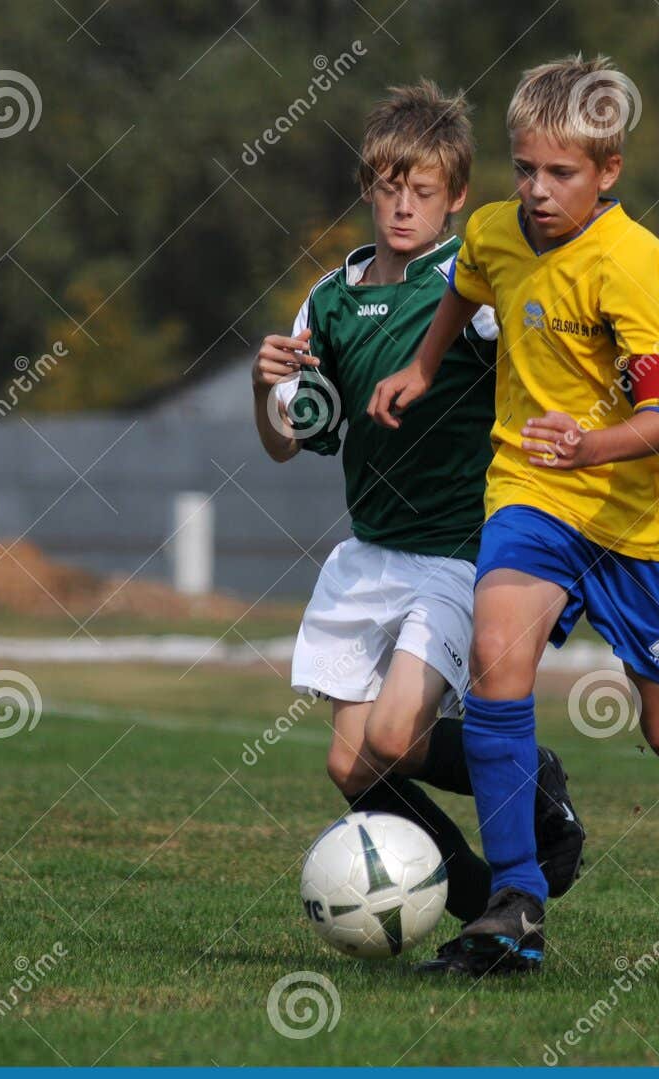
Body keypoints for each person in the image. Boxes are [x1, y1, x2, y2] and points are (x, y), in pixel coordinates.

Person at [366, 56, 659, 980]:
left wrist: (591, 444)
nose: (538, 190)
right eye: (525, 168)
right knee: (497, 659)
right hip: (531, 490)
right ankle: (515, 905)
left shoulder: (636, 264)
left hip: (639, 517)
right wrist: (422, 365)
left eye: (560, 173)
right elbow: (466, 284)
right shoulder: (495, 232)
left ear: (608, 171)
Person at [249, 80, 586, 946]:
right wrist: (263, 389)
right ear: (368, 187)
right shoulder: (330, 300)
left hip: (458, 551)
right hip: (370, 553)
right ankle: (478, 902)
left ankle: (535, 779)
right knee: (349, 762)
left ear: (457, 196)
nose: (405, 206)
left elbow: (540, 359)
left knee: (397, 737)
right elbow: (289, 441)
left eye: (424, 191)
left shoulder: (471, 284)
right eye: (390, 188)